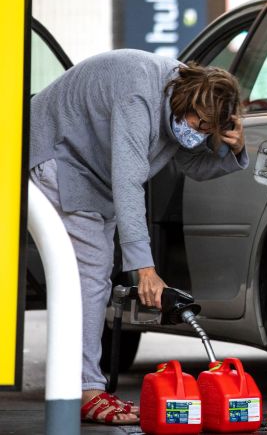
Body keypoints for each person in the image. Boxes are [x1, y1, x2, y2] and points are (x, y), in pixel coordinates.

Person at [29, 49, 248, 425]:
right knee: (91, 274)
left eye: (207, 131)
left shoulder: (183, 102)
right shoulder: (139, 95)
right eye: (198, 125)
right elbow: (129, 183)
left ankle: (84, 384)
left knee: (92, 276)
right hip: (57, 154)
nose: (197, 136)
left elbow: (190, 162)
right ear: (188, 102)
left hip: (92, 170)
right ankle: (85, 389)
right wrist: (144, 269)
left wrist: (235, 151)